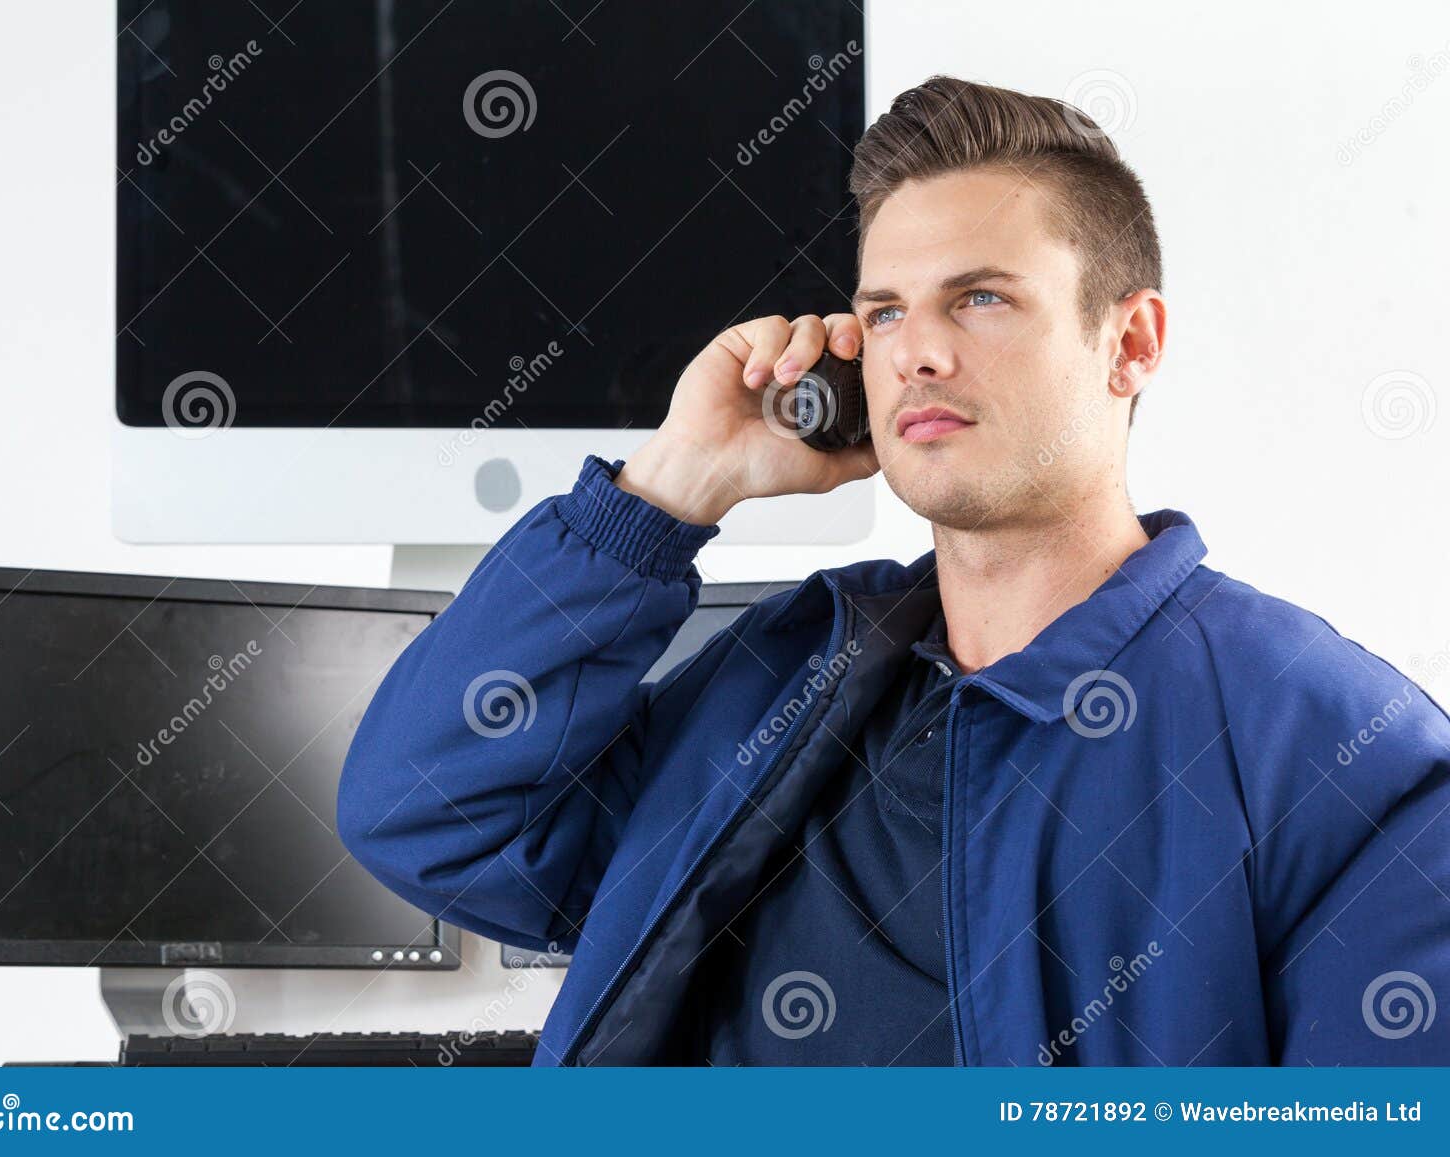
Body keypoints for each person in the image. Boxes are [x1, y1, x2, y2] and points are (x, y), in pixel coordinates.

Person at [337, 76, 1450, 1066]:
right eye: (883, 312)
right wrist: (664, 492)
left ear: (1131, 342)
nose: (916, 350)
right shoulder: (786, 678)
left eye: (980, 298)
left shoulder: (1345, 757)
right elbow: (428, 815)